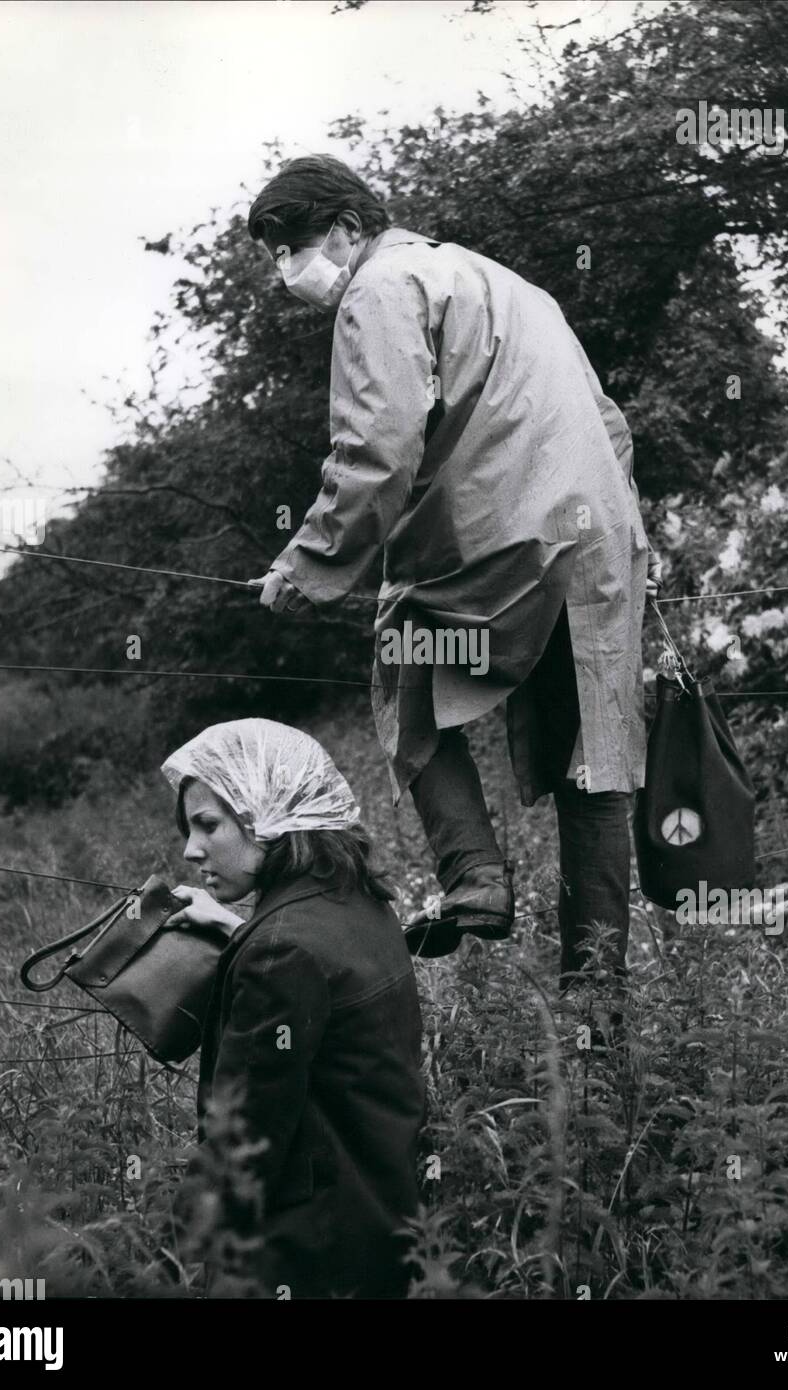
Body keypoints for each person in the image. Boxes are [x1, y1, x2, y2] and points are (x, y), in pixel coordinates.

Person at [246, 154, 661, 989]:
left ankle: (473, 876)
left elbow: (378, 446)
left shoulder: (379, 286)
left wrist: (309, 563)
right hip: (599, 550)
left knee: (403, 664)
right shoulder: (514, 287)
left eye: (289, 248)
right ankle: (595, 1011)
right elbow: (612, 428)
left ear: (346, 229)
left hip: (502, 538)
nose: (285, 271)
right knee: (596, 766)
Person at [163, 718, 425, 1298]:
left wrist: (155, 1264)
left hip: (307, 1258)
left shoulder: (280, 952)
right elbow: (318, 970)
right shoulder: (361, 904)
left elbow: (242, 1147)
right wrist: (239, 929)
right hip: (382, 1227)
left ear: (270, 815)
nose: (190, 849)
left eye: (209, 825)